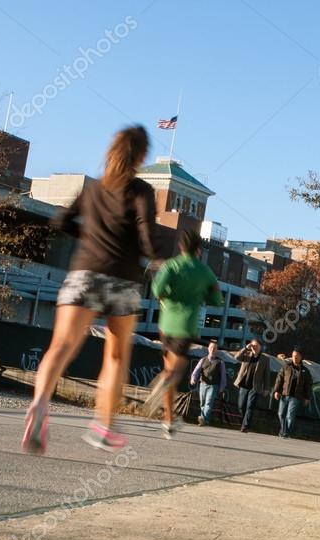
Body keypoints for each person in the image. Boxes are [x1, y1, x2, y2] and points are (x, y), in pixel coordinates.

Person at [22, 125, 160, 454]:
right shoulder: (141, 191)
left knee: (61, 346)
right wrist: (154, 256)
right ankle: (103, 426)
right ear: (141, 156)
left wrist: (88, 239)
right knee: (115, 356)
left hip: (82, 274)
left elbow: (60, 221)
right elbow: (148, 238)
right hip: (121, 279)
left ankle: (40, 405)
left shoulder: (93, 190)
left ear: (112, 152)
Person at [149, 229, 223, 438]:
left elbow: (157, 290)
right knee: (175, 372)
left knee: (169, 370)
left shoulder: (171, 265)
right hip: (185, 326)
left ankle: (169, 421)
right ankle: (165, 381)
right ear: (198, 249)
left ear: (181, 246)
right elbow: (217, 301)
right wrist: (208, 292)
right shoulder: (205, 271)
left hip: (165, 324)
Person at [273, 347, 312, 438]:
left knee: (290, 416)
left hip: (296, 396)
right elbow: (279, 380)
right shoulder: (286, 367)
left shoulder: (305, 371)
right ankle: (284, 431)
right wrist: (276, 391)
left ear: (301, 357)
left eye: (297, 356)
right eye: (293, 356)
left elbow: (308, 385)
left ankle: (286, 433)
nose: (295, 358)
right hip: (285, 394)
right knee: (281, 414)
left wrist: (307, 397)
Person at [233, 338, 270, 433]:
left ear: (260, 347)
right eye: (253, 345)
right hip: (244, 384)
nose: (254, 347)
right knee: (241, 406)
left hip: (255, 386)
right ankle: (244, 422)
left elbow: (267, 374)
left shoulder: (265, 359)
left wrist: (266, 388)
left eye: (256, 346)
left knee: (250, 406)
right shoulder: (246, 355)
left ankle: (245, 426)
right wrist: (246, 348)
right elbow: (236, 357)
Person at [191, 339, 226, 426]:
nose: (213, 349)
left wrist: (221, 388)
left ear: (217, 350)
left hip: (213, 386)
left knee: (208, 403)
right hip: (203, 384)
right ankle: (204, 420)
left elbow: (223, 377)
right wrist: (193, 378)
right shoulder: (203, 360)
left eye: (214, 348)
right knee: (202, 403)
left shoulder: (220, 362)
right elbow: (197, 370)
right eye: (211, 348)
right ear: (208, 349)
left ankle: (204, 420)